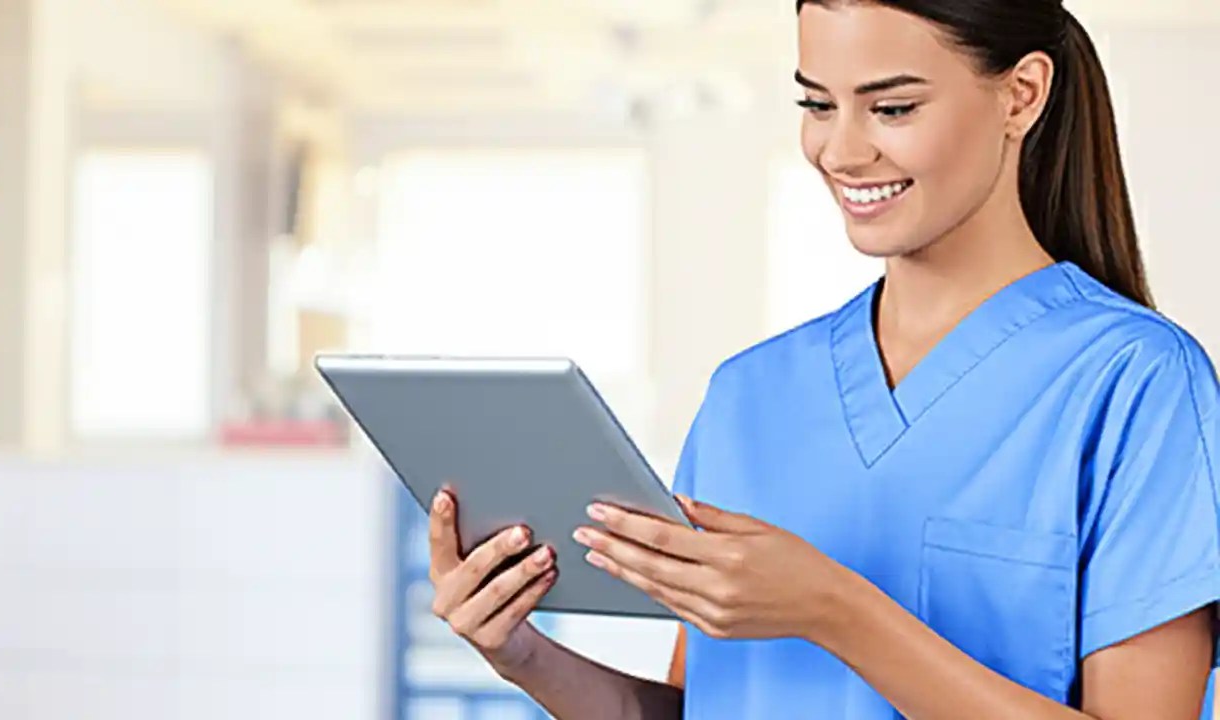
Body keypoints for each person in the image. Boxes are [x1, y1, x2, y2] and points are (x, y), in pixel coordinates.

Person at [426, 1, 1220, 718]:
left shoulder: (1136, 382)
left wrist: (834, 610)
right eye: (816, 104)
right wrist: (521, 654)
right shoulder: (749, 394)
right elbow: (700, 706)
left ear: (1022, 95)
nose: (840, 151)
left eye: (893, 107)